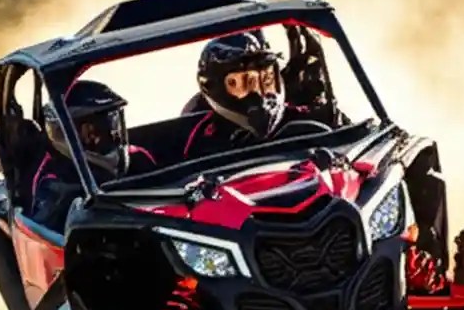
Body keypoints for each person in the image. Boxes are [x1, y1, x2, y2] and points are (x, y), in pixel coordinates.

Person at [180, 25, 348, 161]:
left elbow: (358, 151)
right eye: (242, 83)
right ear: (213, 88)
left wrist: (332, 118)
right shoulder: (196, 139)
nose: (259, 95)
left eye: (266, 80)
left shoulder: (310, 117)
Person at [28, 80, 154, 230]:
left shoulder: (138, 157)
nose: (110, 134)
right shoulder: (54, 181)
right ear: (64, 134)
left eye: (113, 123)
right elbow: (45, 238)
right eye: (92, 130)